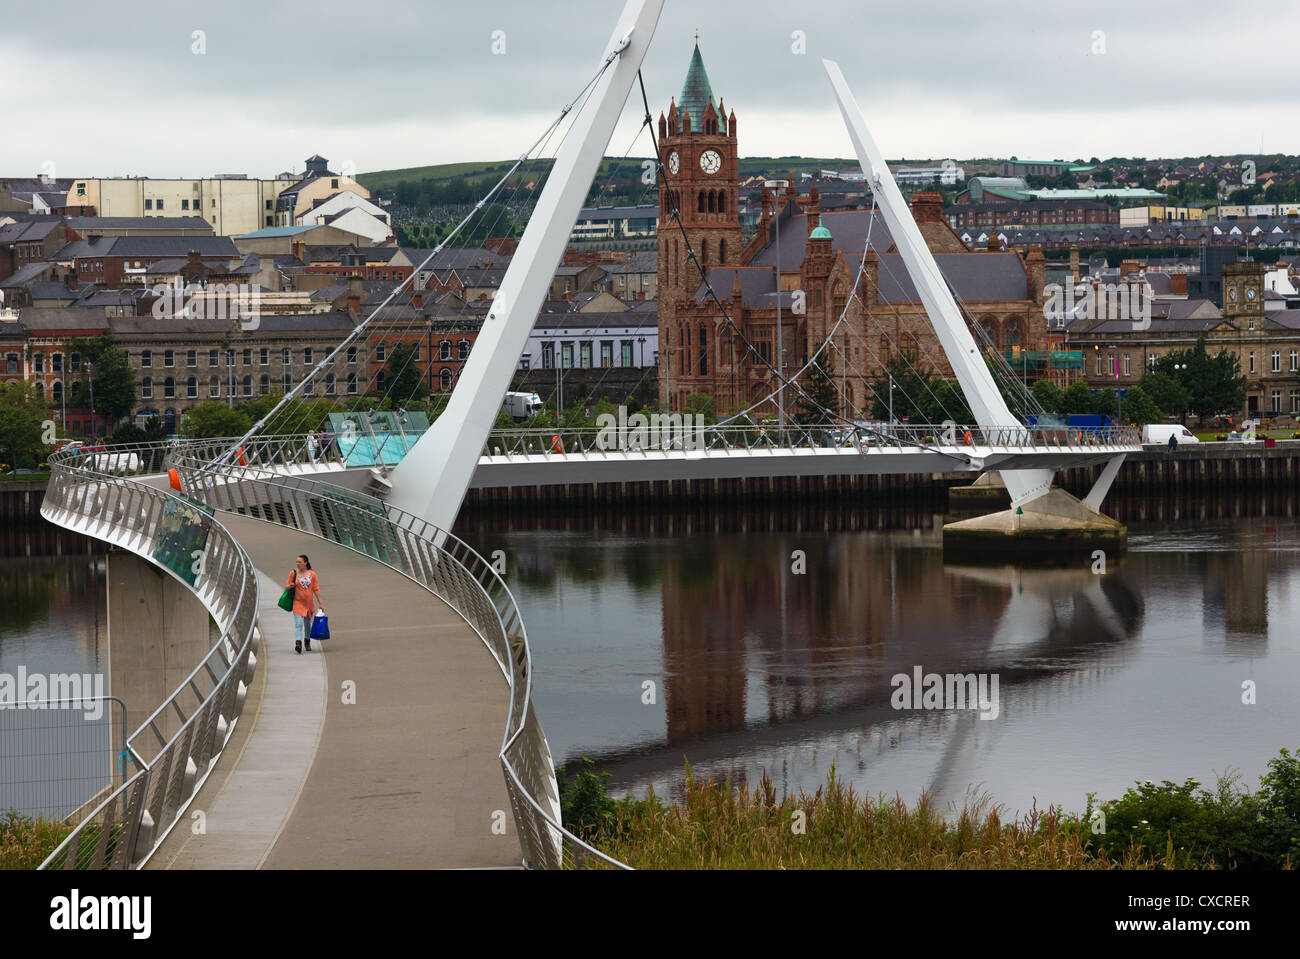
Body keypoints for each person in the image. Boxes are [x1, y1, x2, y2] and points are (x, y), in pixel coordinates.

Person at [286, 554, 324, 654]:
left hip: (309, 604)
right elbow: (286, 587)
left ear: (305, 563)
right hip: (297, 603)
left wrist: (321, 603)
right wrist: (290, 585)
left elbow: (316, 589)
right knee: (298, 623)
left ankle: (307, 641)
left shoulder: (312, 574)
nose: (297, 564)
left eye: (300, 562)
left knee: (307, 624)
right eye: (296, 562)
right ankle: (298, 643)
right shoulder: (293, 573)